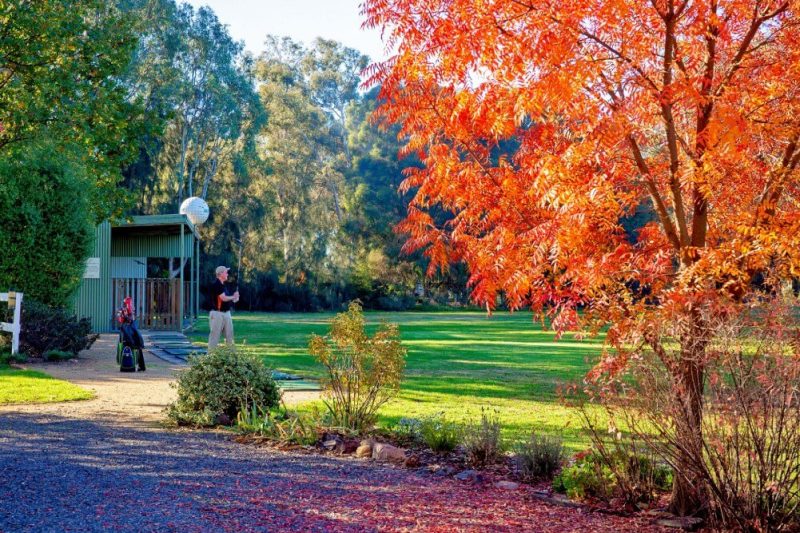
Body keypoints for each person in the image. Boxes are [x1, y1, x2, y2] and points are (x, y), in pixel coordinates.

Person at [208, 265, 239, 350]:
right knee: (214, 336)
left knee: (230, 336)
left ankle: (232, 358)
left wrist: (235, 298)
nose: (227, 274)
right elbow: (223, 298)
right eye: (226, 272)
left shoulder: (224, 286)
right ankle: (210, 357)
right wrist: (233, 297)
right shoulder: (217, 285)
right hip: (217, 314)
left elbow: (229, 299)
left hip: (226, 313)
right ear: (220, 273)